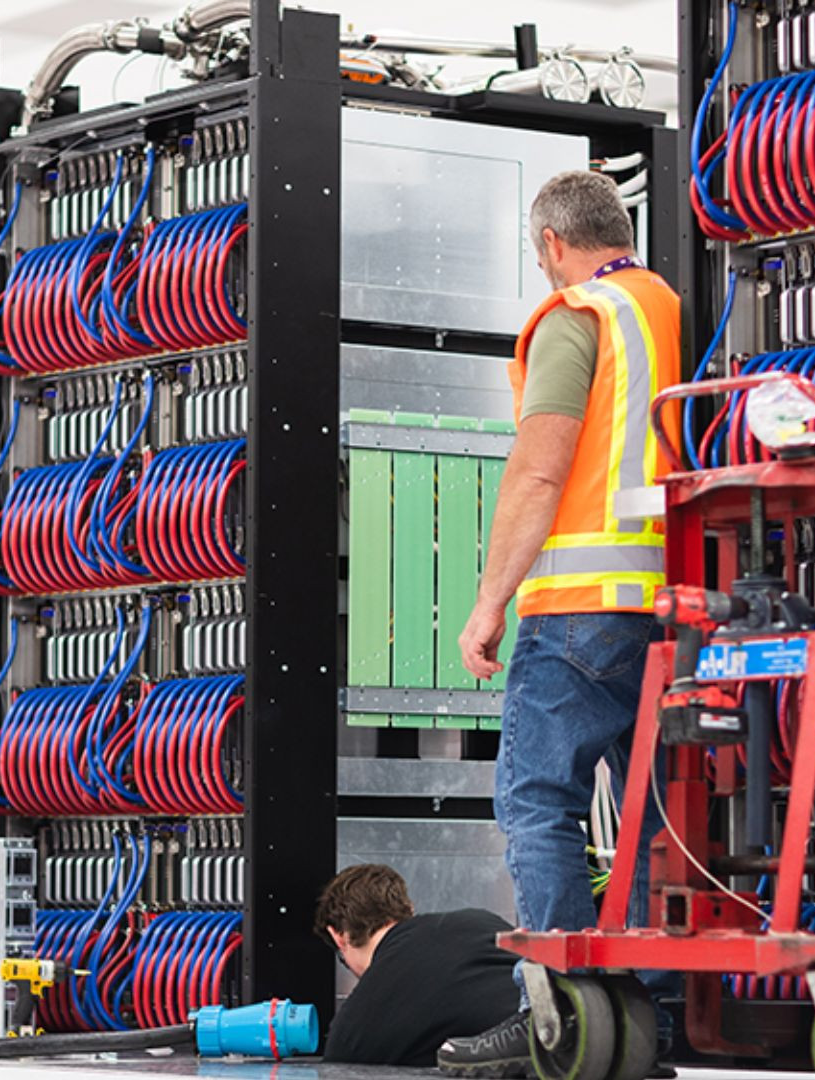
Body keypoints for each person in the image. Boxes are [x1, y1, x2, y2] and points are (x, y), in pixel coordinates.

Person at [441, 170, 682, 1077]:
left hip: (578, 609)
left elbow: (540, 470)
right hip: (668, 608)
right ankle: (646, 1024)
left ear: (551, 243)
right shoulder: (664, 308)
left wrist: (489, 600)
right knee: (653, 819)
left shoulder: (576, 315)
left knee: (539, 804)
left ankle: (558, 1014)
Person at [314, 864, 521, 1066]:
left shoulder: (355, 1026)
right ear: (409, 910)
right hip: (536, 1041)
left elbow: (341, 1066)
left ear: (339, 936)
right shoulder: (482, 920)